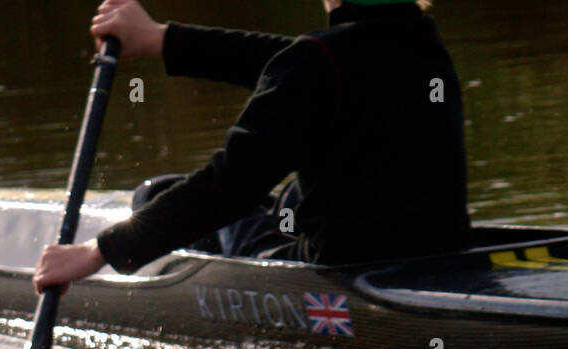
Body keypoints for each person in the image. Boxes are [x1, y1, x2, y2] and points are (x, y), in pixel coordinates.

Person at [33, 0, 471, 294]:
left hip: (338, 271)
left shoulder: (320, 61)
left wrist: (98, 252)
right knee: (292, 198)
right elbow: (294, 64)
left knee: (157, 195)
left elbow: (231, 186)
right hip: (437, 247)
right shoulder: (423, 44)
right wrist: (162, 39)